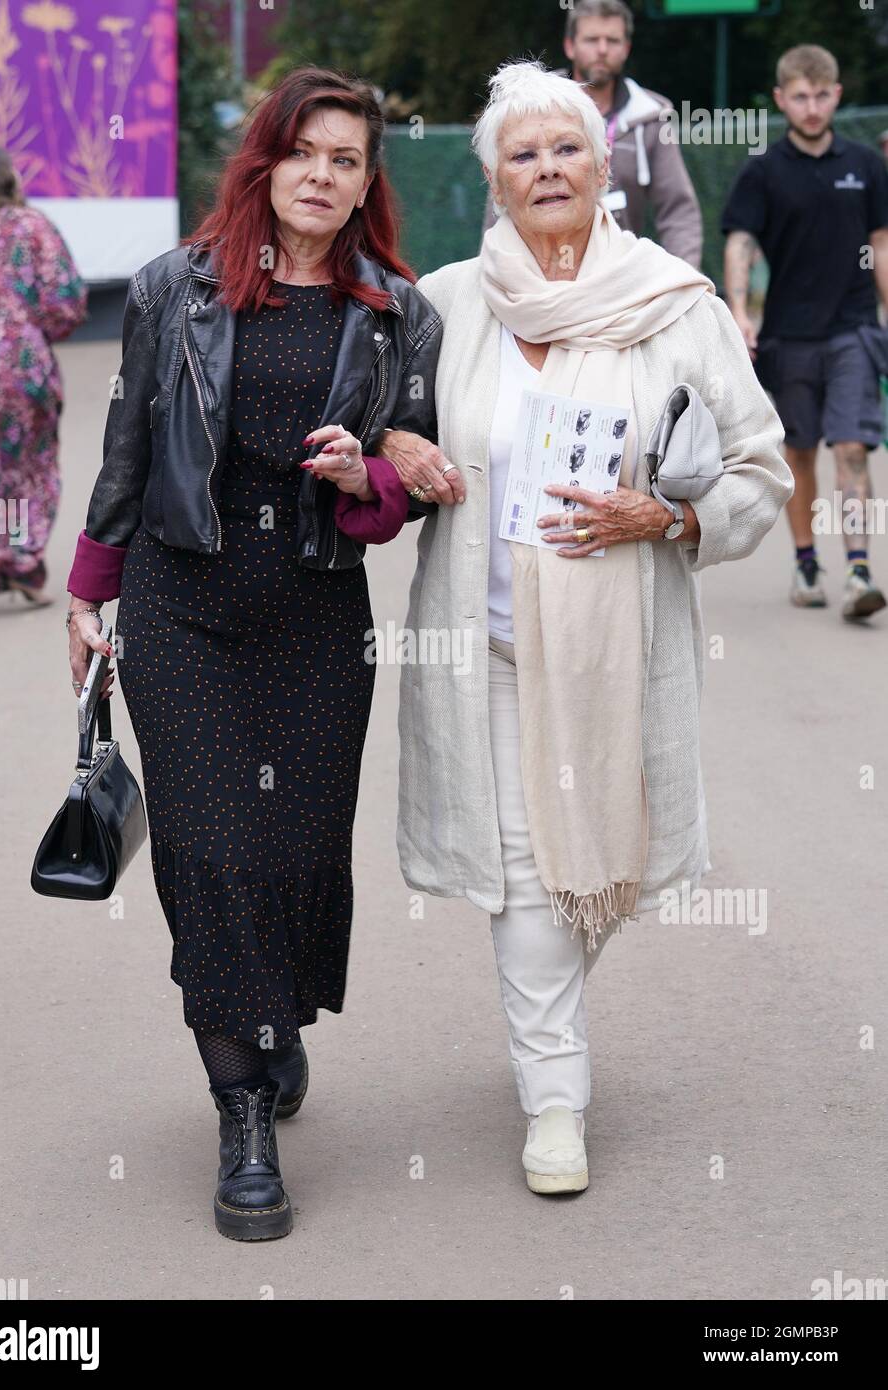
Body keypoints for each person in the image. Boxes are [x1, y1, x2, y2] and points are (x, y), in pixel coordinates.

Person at [380, 60, 792, 1195]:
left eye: (565, 147)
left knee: (592, 877)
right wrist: (401, 452)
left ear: (602, 165)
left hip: (621, 656)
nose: (547, 167)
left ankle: (550, 987)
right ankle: (554, 1101)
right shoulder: (451, 302)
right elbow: (385, 429)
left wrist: (666, 514)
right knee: (521, 879)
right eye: (523, 154)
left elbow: (758, 468)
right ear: (495, 183)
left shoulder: (674, 301)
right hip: (492, 651)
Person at [64, 68, 440, 1241]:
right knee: (213, 849)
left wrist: (365, 476)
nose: (324, 177)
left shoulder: (398, 312)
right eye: (306, 153)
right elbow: (129, 438)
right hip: (184, 609)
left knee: (294, 851)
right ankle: (243, 1113)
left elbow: (415, 478)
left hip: (318, 612)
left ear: (366, 181)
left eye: (348, 161)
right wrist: (89, 592)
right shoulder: (177, 287)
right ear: (266, 161)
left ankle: (273, 1021)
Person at [721, 45, 888, 620]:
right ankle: (807, 564)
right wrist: (740, 312)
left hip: (854, 330)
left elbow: (882, 245)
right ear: (781, 99)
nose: (812, 107)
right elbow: (740, 242)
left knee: (852, 446)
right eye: (800, 96)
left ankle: (860, 571)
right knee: (799, 451)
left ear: (837, 95)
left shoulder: (866, 166)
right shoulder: (763, 171)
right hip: (789, 336)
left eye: (822, 95)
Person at [0, 143, 87, 618]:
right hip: (20, 362)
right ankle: (21, 561)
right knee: (28, 464)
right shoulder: (30, 226)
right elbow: (66, 299)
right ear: (7, 177)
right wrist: (27, 330)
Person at [480, 0, 702, 269]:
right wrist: (496, 274)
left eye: (613, 40)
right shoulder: (526, 110)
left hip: (622, 278)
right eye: (591, 39)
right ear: (570, 46)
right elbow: (501, 203)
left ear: (627, 48)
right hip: (534, 272)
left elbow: (678, 211)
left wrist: (681, 282)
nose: (602, 50)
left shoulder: (650, 117)